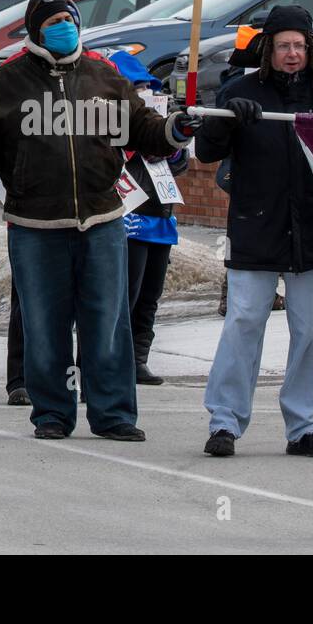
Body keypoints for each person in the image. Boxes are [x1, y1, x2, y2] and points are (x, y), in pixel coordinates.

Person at [0, 0, 193, 441]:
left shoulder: (104, 75)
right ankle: (52, 413)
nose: (63, 27)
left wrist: (174, 130)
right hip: (34, 225)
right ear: (34, 30)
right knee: (44, 324)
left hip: (102, 220)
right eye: (53, 22)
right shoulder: (4, 85)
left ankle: (114, 414)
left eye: (69, 19)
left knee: (107, 321)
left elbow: (143, 129)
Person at [194, 5, 313, 459]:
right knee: (244, 322)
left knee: (312, 329)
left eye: (300, 46)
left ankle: (304, 425)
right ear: (268, 49)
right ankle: (224, 422)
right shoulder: (240, 90)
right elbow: (207, 151)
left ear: (312, 49)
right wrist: (224, 117)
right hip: (256, 225)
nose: (292, 54)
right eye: (284, 45)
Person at [109, 50, 189, 385]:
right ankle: (115, 361)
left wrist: (172, 145)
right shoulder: (106, 118)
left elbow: (181, 163)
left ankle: (139, 359)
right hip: (129, 216)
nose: (143, 92)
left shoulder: (160, 115)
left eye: (146, 86)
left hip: (161, 215)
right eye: (136, 86)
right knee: (125, 295)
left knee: (150, 297)